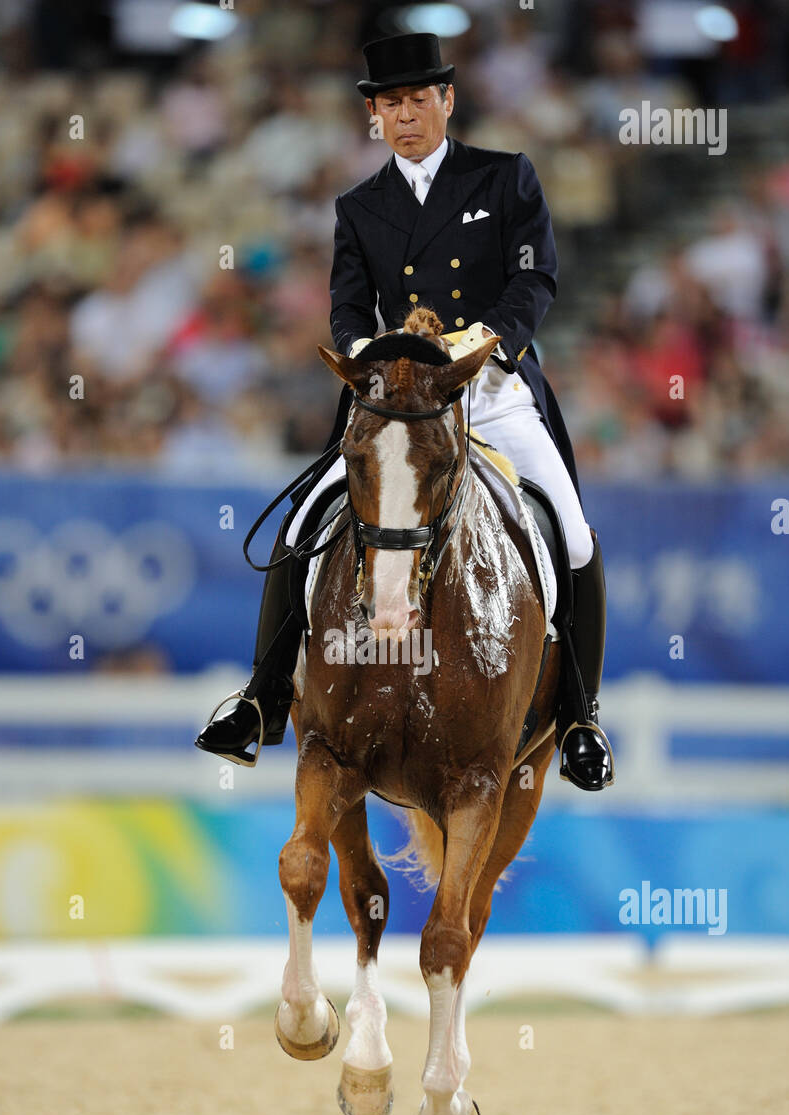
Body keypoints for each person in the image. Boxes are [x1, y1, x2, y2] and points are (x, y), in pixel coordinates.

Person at [197, 32, 614, 791]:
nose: (406, 114)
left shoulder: (504, 178)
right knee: (299, 526)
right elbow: (348, 306)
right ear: (374, 116)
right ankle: (261, 698)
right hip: (396, 401)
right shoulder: (360, 207)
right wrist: (374, 360)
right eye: (391, 103)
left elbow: (535, 281)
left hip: (484, 387)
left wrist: (484, 340)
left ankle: (581, 712)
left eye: (419, 99)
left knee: (574, 535)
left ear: (447, 102)